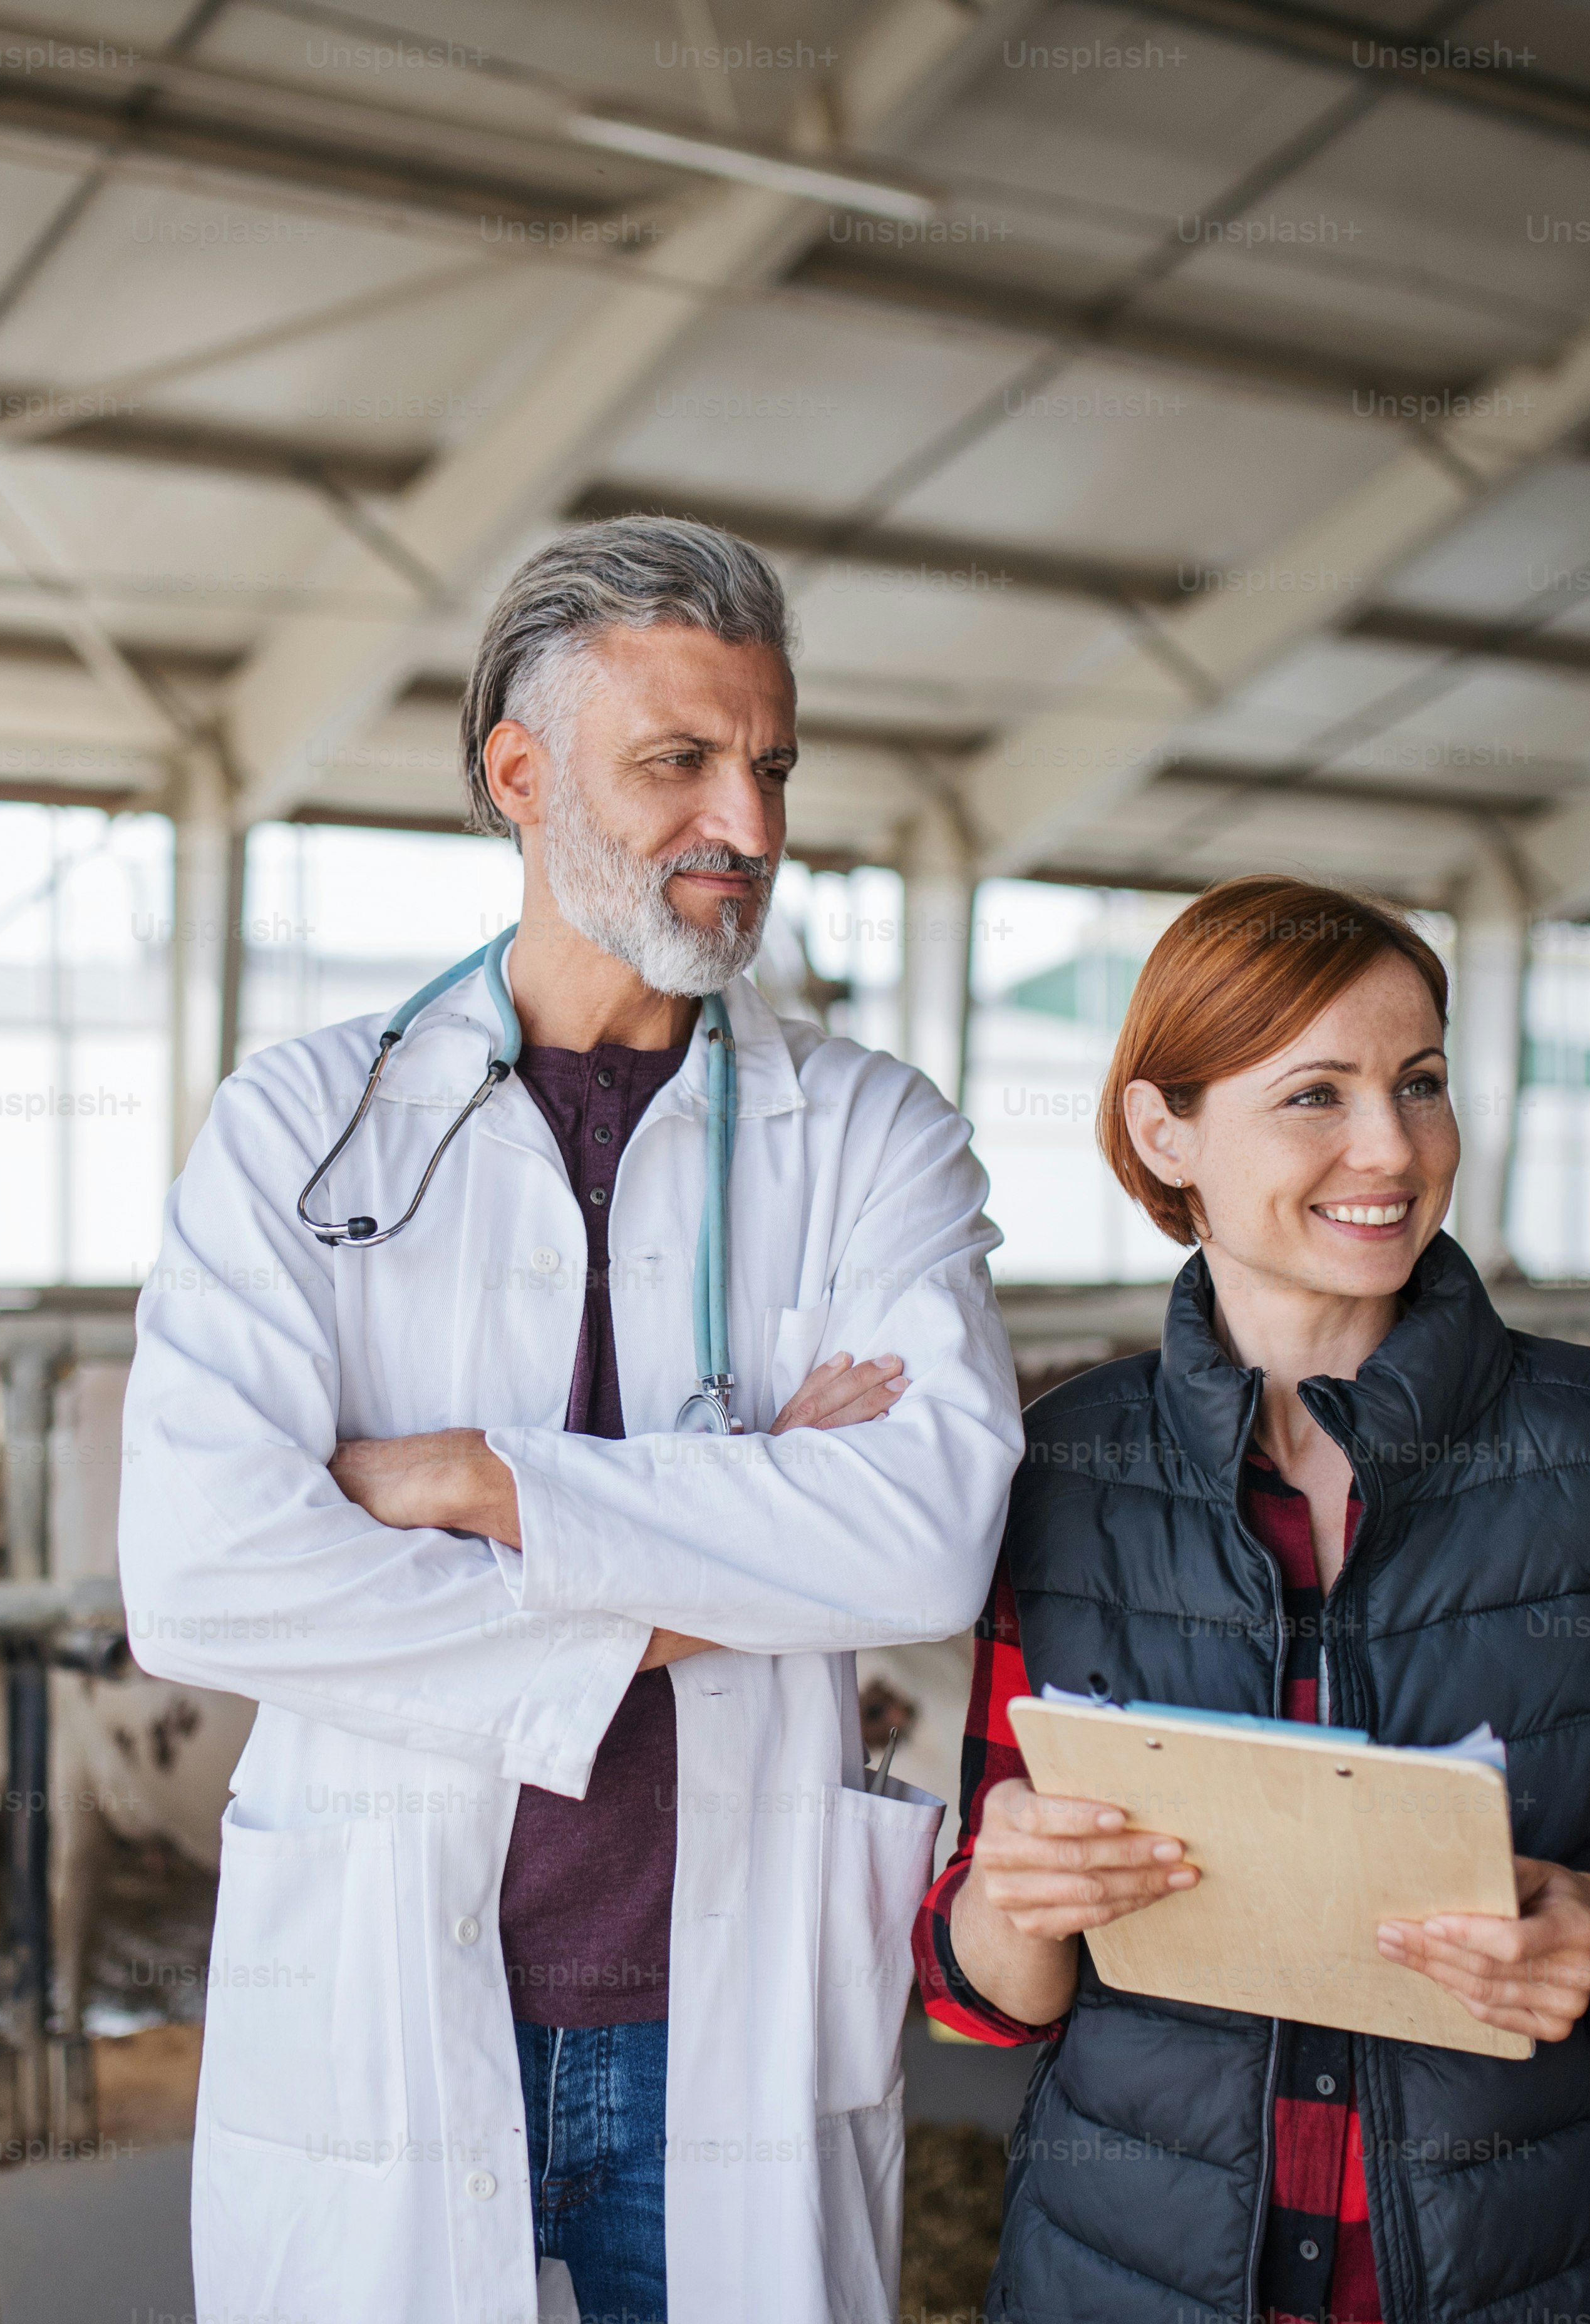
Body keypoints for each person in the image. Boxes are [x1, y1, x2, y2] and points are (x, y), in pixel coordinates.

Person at [118, 515, 1021, 2324]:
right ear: (519, 776)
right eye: (678, 763)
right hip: (388, 1980)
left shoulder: (870, 1134)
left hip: (732, 2006)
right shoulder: (300, 1128)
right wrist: (753, 1524)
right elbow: (207, 1581)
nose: (749, 827)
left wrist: (470, 1482)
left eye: (767, 765)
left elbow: (922, 1540)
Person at [917, 873, 1590, 2323]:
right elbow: (986, 1988)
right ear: (1166, 1132)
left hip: (1555, 2262)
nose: (1391, 1146)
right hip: (1134, 2270)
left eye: (1421, 1083)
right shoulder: (1061, 1463)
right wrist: (1012, 1899)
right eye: (1315, 1094)